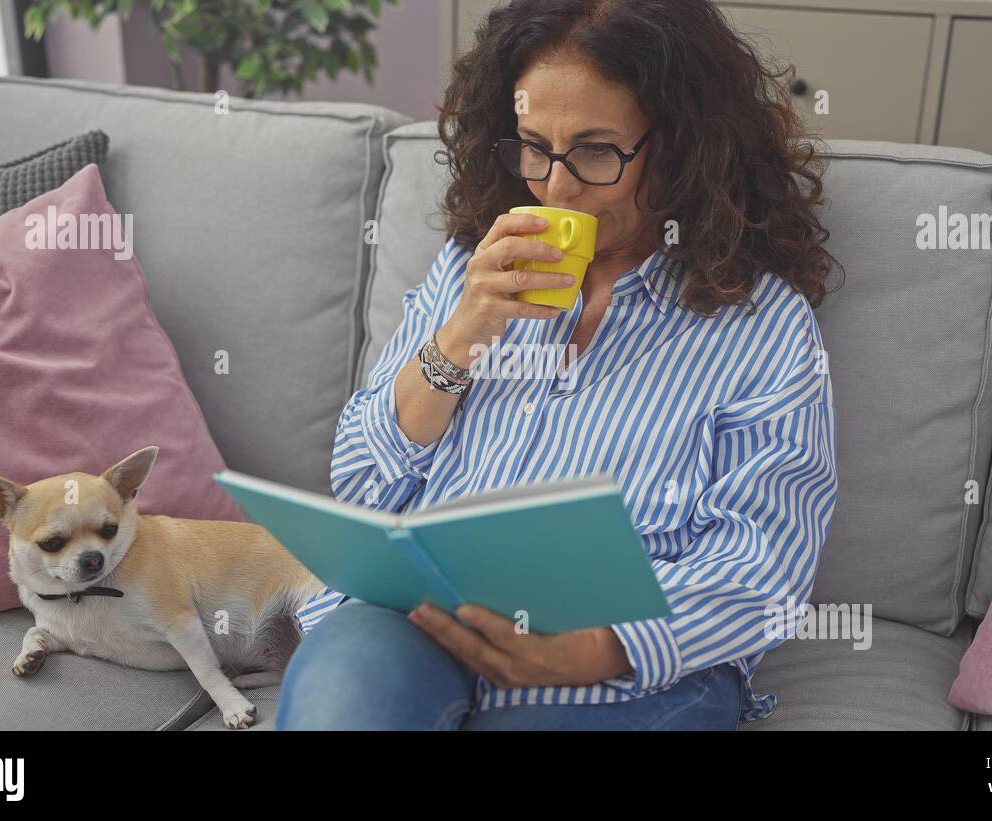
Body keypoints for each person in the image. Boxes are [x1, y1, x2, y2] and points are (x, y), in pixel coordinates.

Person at [276, 0, 842, 730]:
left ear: (681, 145)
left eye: (597, 150)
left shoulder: (762, 326)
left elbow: (763, 566)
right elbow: (358, 482)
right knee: (341, 704)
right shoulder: (471, 268)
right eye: (534, 146)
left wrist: (598, 647)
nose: (557, 187)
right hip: (423, 618)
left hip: (630, 665)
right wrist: (460, 336)